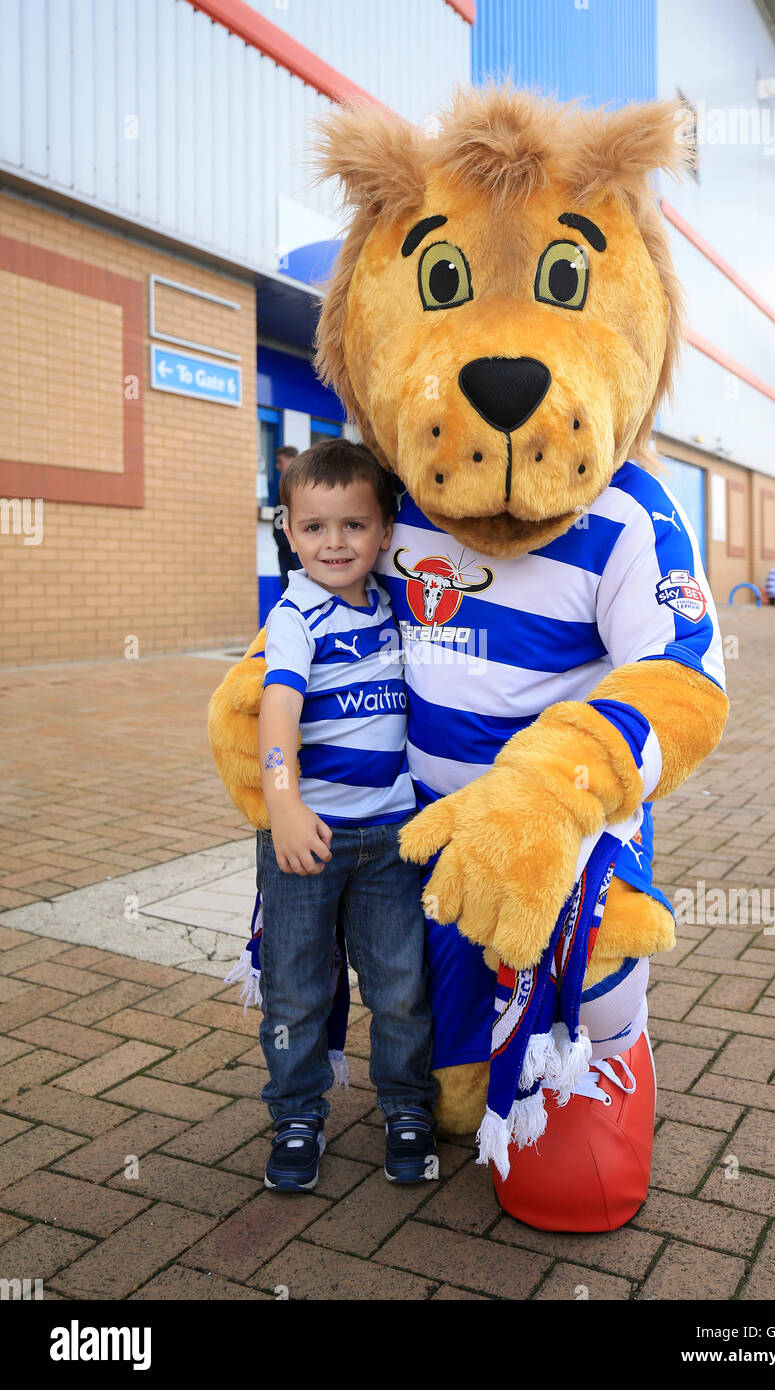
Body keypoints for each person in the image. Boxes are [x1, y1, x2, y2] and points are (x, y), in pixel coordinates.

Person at [257, 437, 438, 1192]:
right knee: (296, 987)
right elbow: (276, 713)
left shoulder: (397, 606)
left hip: (393, 836)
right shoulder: (297, 612)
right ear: (289, 532)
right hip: (310, 838)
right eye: (314, 527)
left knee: (400, 985)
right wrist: (284, 804)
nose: (334, 543)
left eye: (354, 526)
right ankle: (298, 1114)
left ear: (385, 532)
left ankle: (406, 1109)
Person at [272, 445, 300, 588]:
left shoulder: (301, 486)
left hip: (295, 548)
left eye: (280, 462)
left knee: (301, 584)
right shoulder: (284, 486)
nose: (277, 466)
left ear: (293, 460)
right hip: (283, 546)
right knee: (287, 585)